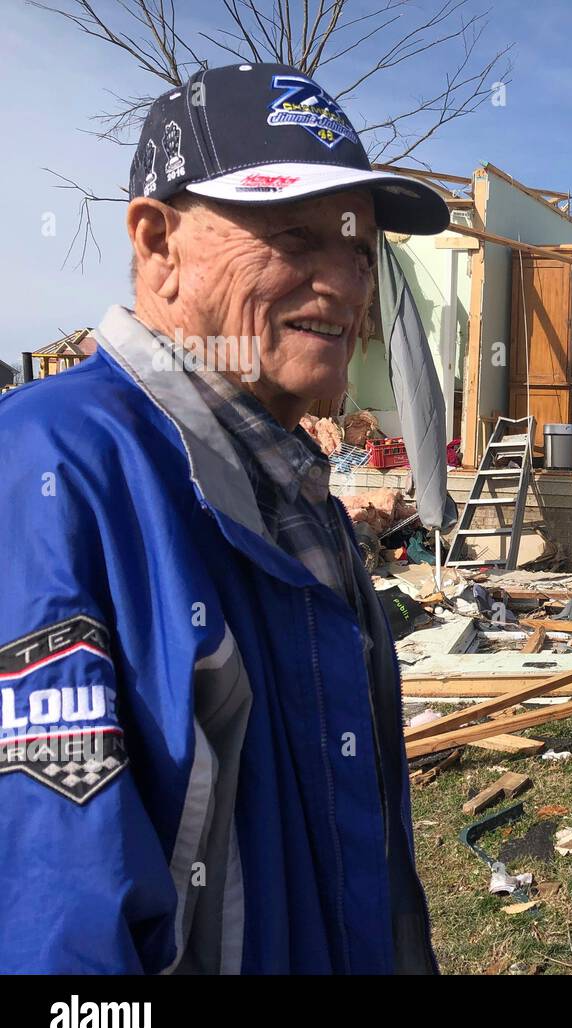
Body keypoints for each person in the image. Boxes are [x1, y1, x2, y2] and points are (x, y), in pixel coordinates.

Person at [0, 63, 451, 974]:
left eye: (361, 248)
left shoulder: (290, 480)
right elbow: (56, 926)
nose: (345, 282)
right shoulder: (53, 468)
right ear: (157, 240)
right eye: (292, 234)